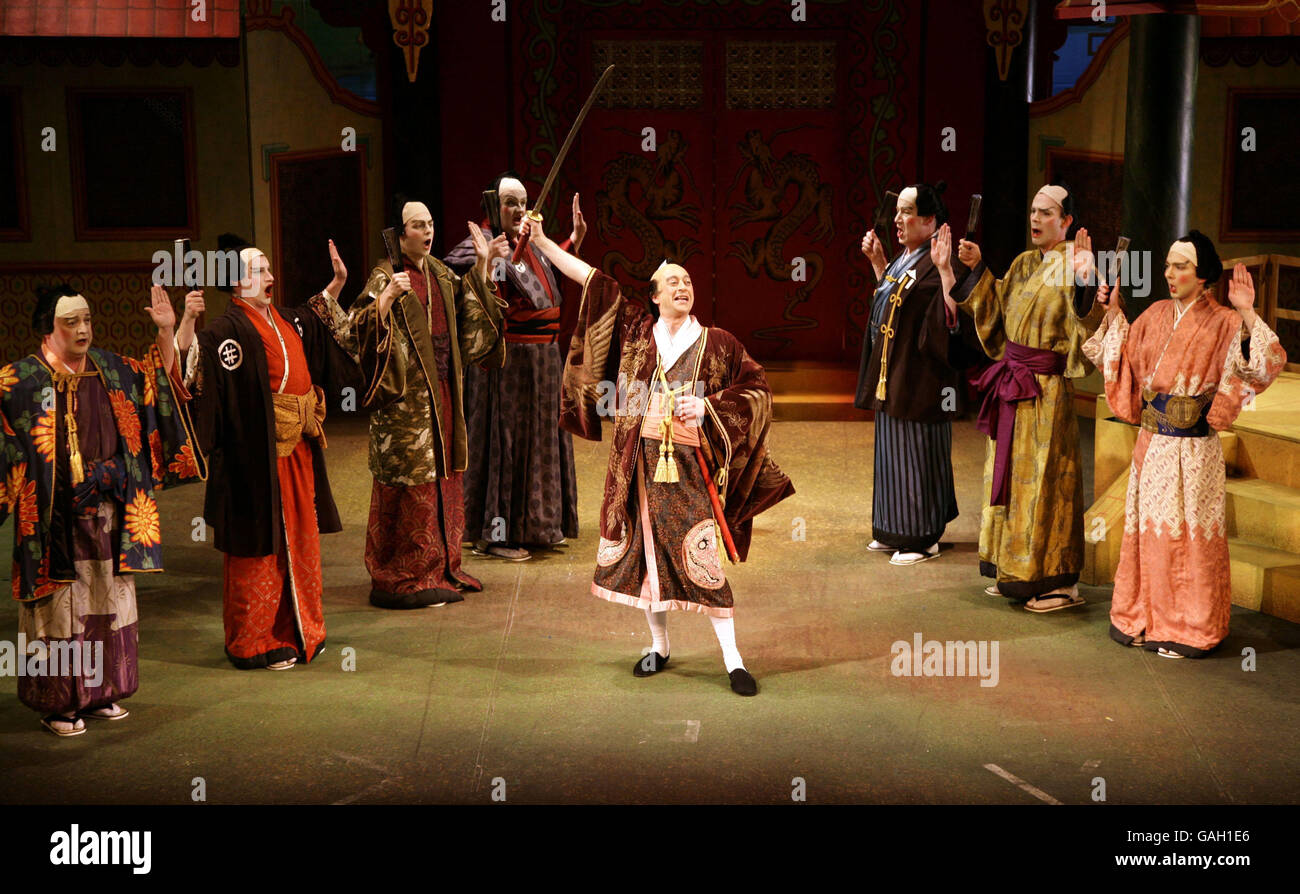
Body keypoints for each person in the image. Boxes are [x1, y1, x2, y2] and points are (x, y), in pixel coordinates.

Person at [524, 216, 794, 696]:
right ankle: (659, 646)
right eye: (673, 282)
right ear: (653, 296)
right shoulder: (634, 332)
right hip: (639, 465)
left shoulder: (720, 342)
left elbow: (758, 391)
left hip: (693, 469)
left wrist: (709, 406)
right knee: (646, 559)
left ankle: (733, 660)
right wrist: (544, 242)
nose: (683, 287)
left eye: (688, 281)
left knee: (703, 560)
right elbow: (592, 280)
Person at [0, 283, 203, 735]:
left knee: (105, 606)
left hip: (109, 511)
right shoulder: (19, 382)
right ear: (47, 329)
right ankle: (60, 704)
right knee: (60, 611)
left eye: (87, 319)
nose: (82, 329)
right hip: (54, 520)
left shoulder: (113, 371)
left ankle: (101, 693)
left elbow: (161, 390)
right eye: (70, 322)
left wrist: (171, 332)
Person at [1082, 232, 1286, 657]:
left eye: (1181, 266)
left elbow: (1262, 368)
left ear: (1204, 275)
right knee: (1150, 534)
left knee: (1188, 535)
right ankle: (1144, 614)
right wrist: (1114, 309)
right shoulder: (1156, 314)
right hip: (1151, 443)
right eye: (1168, 265)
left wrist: (1247, 312)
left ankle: (1188, 626)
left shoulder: (1225, 321)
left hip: (1193, 450)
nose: (1170, 274)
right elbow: (1117, 357)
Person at [185, 234, 355, 669]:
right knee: (260, 547)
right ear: (238, 282)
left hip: (296, 452)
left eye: (267, 267)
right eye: (260, 270)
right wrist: (181, 324)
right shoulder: (226, 333)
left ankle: (300, 630)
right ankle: (256, 638)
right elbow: (191, 378)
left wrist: (337, 283)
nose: (271, 276)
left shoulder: (285, 321)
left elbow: (315, 318)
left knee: (300, 540)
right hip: (254, 460)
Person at [334, 198, 507, 609]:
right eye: (417, 225)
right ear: (400, 232)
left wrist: (482, 266)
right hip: (404, 406)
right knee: (414, 480)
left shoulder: (441, 274)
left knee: (444, 475)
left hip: (443, 392)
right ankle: (405, 572)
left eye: (430, 224)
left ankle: (443, 566)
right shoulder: (384, 276)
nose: (427, 232)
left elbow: (471, 323)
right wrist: (387, 298)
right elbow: (352, 333)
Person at [951, 182, 1103, 611]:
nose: (1036, 219)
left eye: (1047, 212)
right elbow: (997, 312)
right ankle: (1014, 569)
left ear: (1067, 221)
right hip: (1011, 387)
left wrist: (1086, 283)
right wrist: (978, 269)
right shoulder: (1022, 264)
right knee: (1011, 483)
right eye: (1034, 211)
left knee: (1044, 485)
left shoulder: (1078, 264)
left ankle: (1057, 580)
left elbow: (1090, 326)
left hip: (1046, 394)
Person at [444, 175, 583, 561]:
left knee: (539, 447)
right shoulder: (481, 247)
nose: (519, 209)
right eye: (509, 202)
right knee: (505, 446)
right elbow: (462, 290)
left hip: (543, 364)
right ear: (493, 205)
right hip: (506, 365)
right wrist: (489, 263)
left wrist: (573, 238)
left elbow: (545, 280)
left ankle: (537, 526)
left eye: (523, 202)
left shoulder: (530, 245)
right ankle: (495, 535)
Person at [856, 183, 967, 565]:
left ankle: (922, 537)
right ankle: (893, 529)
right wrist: (878, 262)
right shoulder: (904, 260)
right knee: (891, 453)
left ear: (930, 220)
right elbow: (892, 308)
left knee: (916, 454)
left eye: (907, 212)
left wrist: (946, 270)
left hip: (921, 379)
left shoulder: (938, 261)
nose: (897, 220)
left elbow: (950, 321)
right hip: (894, 373)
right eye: (898, 212)